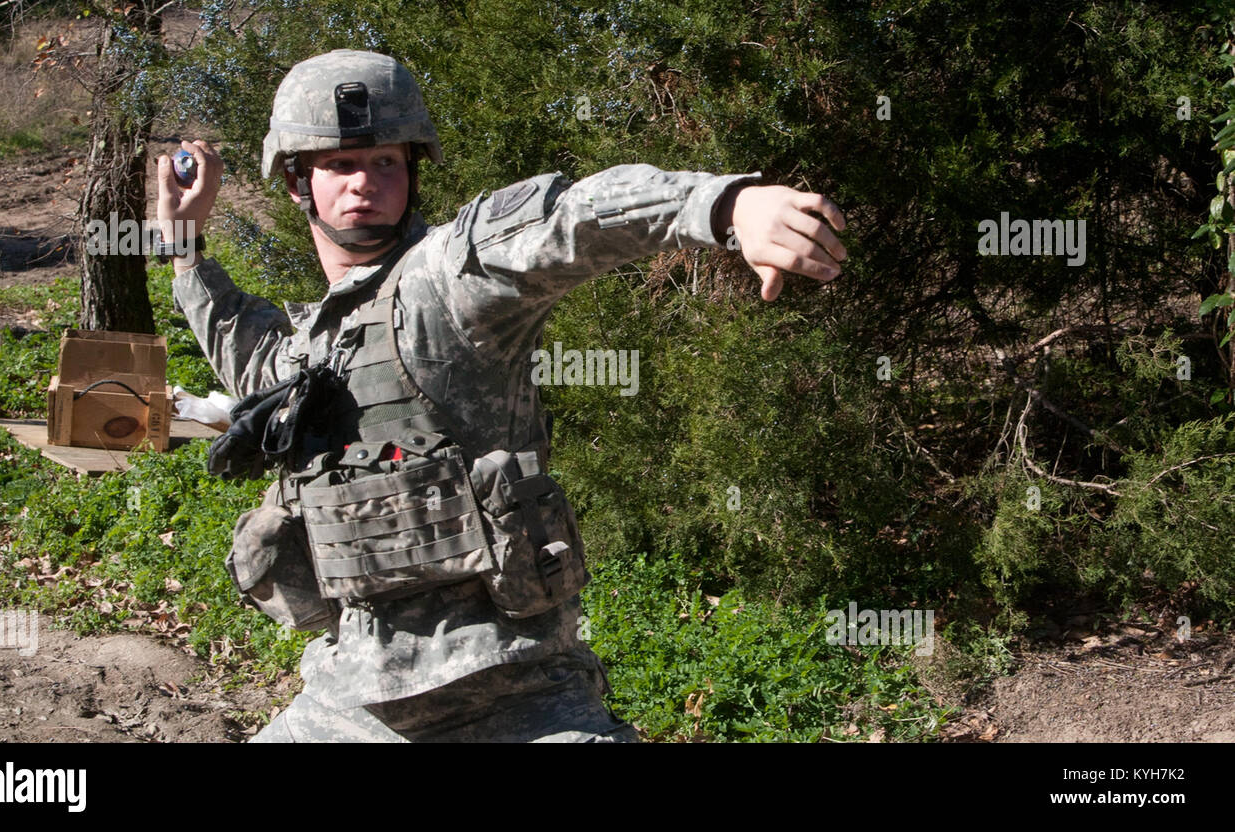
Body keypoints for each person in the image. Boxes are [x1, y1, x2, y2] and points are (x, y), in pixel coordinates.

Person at [156, 49, 847, 742]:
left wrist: (727, 204)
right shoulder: (316, 344)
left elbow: (572, 220)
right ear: (298, 183)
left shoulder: (450, 278)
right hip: (350, 706)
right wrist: (185, 248)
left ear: (414, 172)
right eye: (339, 165)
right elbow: (253, 363)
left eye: (386, 162)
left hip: (519, 701)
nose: (363, 182)